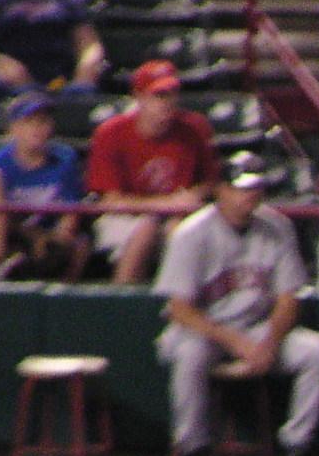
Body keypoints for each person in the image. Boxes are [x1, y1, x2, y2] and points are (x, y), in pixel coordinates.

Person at [156, 151, 319, 456]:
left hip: (257, 330)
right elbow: (179, 309)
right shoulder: (191, 234)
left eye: (254, 190)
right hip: (203, 332)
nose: (248, 198)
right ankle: (192, 452)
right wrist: (236, 342)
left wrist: (269, 342)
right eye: (240, 189)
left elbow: (287, 299)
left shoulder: (277, 226)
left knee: (317, 350)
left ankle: (298, 452)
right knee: (189, 356)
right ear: (221, 190)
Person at [86, 59, 220, 286]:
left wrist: (195, 195)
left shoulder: (195, 128)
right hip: (125, 218)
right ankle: (121, 302)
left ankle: (180, 304)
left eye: (172, 93)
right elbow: (111, 202)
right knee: (146, 229)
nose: (168, 102)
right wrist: (166, 204)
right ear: (139, 97)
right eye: (159, 95)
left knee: (179, 230)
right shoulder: (111, 132)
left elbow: (211, 182)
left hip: (176, 215)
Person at [0, 88, 86, 281]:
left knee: (79, 246)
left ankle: (64, 300)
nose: (37, 128)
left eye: (42, 121)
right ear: (14, 128)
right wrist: (33, 237)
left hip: (50, 235)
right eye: (29, 122)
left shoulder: (64, 158)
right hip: (15, 234)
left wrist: (58, 238)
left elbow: (71, 211)